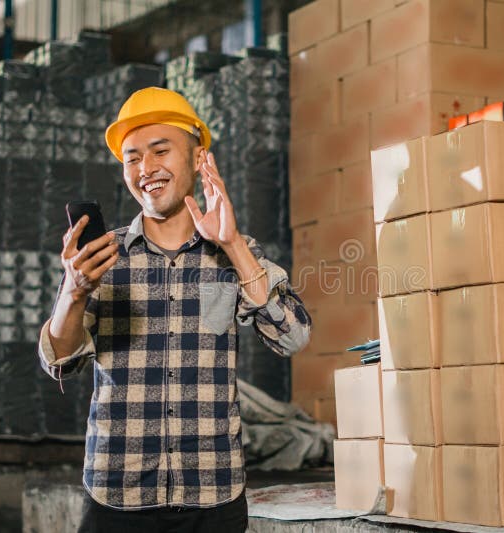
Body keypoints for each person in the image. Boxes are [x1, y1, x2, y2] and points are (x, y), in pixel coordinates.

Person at [37, 87, 311, 532]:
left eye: (160, 150)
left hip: (212, 499)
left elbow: (294, 337)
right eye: (132, 157)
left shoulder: (236, 256)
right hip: (117, 497)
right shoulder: (104, 260)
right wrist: (74, 290)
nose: (145, 169)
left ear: (199, 157)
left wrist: (234, 245)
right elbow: (59, 364)